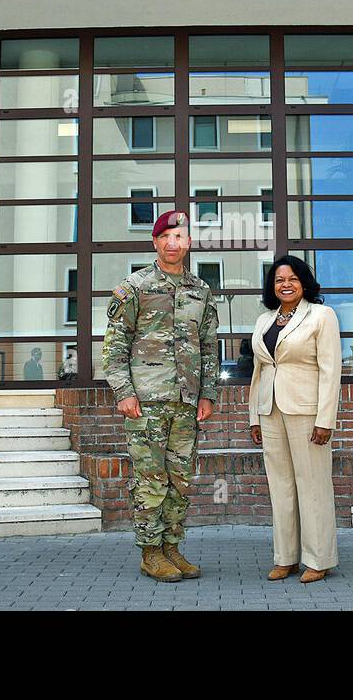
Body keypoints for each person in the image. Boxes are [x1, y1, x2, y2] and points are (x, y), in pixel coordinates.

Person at [103, 210, 219, 583]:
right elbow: (115, 345)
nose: (173, 243)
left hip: (186, 403)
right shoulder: (134, 287)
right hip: (146, 401)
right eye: (165, 236)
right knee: (151, 478)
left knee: (180, 479)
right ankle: (150, 552)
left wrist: (208, 394)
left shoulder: (200, 291)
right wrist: (124, 392)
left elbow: (209, 348)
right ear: (154, 242)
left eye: (180, 237)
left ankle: (172, 547)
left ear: (188, 244)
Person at [248, 254, 341, 584]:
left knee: (312, 484)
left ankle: (318, 559)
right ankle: (285, 557)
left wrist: (325, 419)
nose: (285, 285)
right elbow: (259, 371)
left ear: (304, 283)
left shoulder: (321, 316)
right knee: (281, 486)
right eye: (278, 280)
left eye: (292, 279)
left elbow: (331, 371)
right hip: (270, 410)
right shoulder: (264, 321)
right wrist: (254, 417)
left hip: (307, 411)